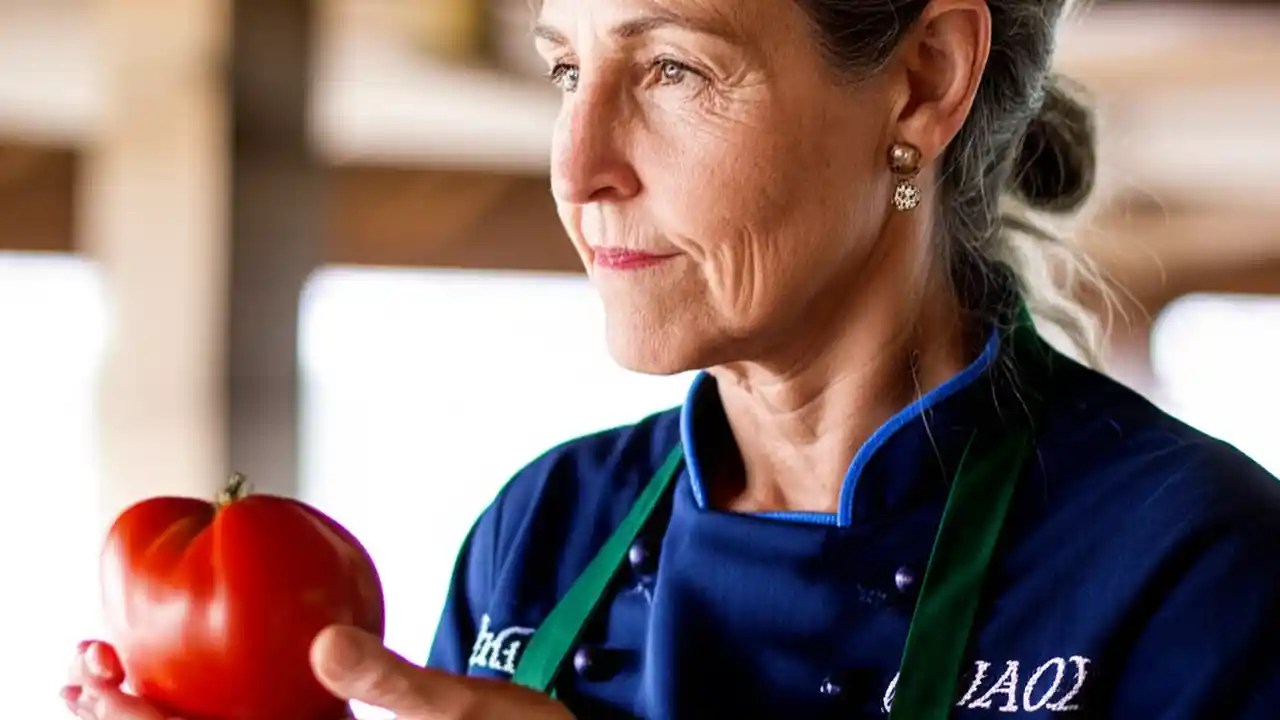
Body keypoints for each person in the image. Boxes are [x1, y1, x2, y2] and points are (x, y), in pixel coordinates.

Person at [64, 0, 1280, 717]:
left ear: (923, 80)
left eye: (670, 68)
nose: (576, 165)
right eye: (564, 69)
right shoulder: (538, 535)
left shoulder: (1194, 563)